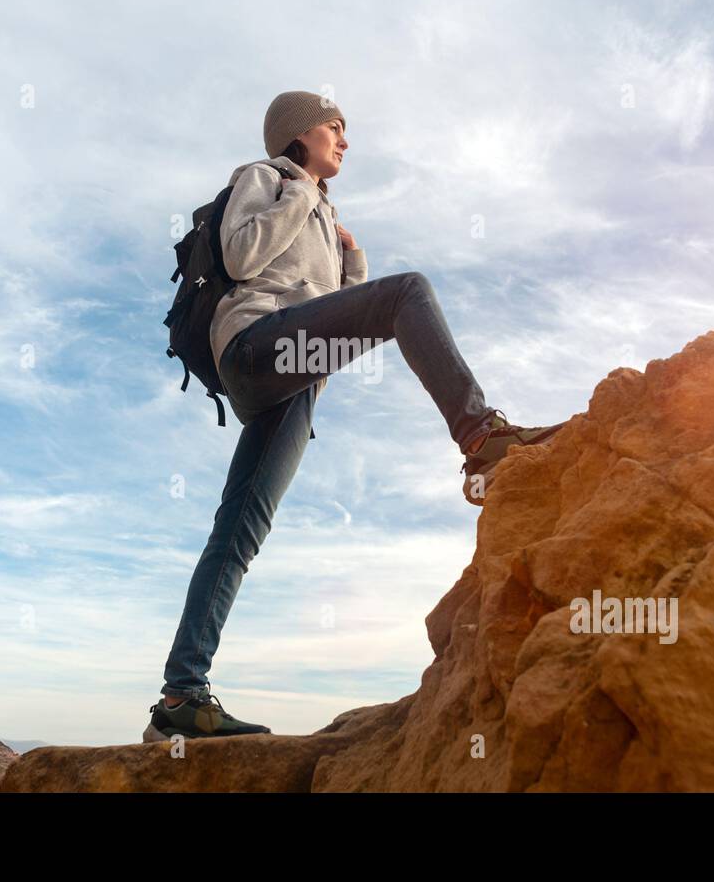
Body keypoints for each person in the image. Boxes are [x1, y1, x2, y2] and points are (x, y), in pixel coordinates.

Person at [144, 91, 565, 742]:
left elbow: (336, 306)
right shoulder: (264, 179)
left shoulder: (321, 213)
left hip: (295, 376)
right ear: (297, 134)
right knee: (409, 291)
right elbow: (241, 258)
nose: (344, 140)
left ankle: (181, 695)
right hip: (255, 346)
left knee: (240, 530)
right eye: (334, 127)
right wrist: (302, 198)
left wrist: (353, 258)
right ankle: (483, 436)